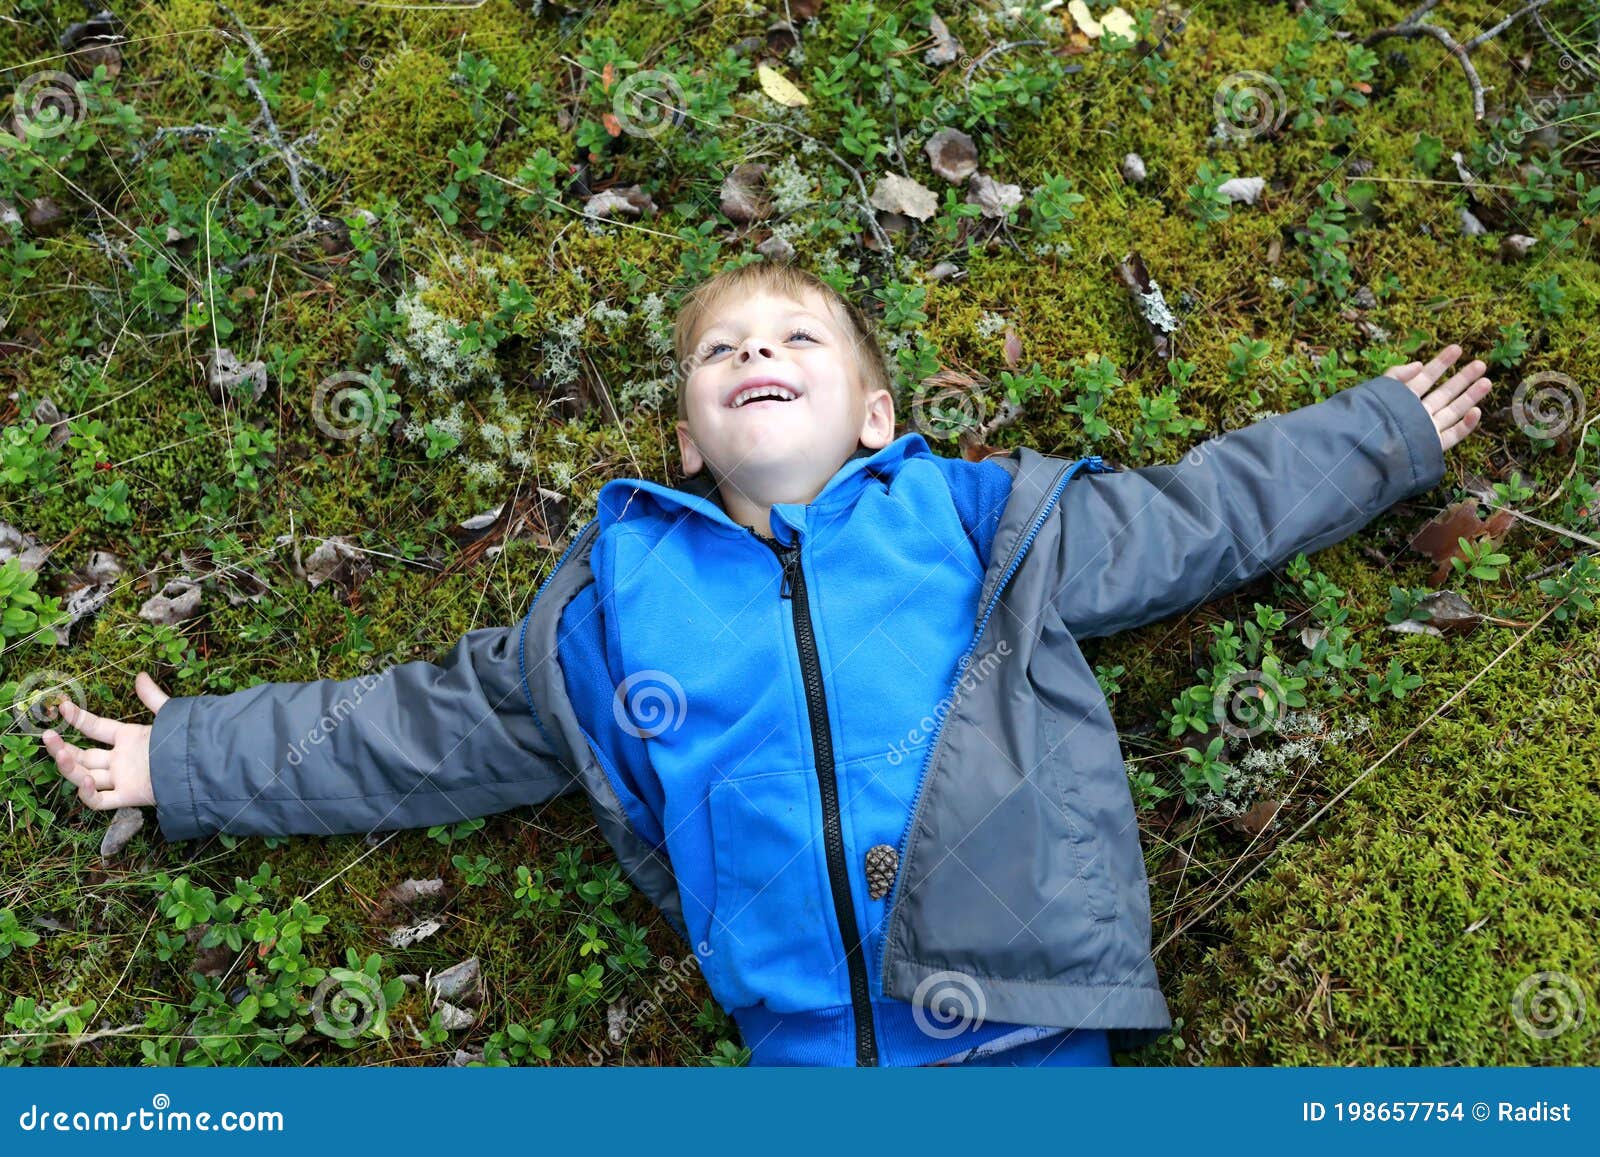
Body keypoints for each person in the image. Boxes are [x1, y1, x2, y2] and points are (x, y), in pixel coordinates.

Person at [40, 261, 1491, 1067]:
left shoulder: (977, 525)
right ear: (684, 437)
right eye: (719, 348)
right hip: (801, 1055)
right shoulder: (613, 607)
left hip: (1034, 1025)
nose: (754, 351)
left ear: (873, 410)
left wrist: (1385, 434)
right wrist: (187, 759)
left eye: (796, 334)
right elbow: (423, 730)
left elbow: (1198, 516)